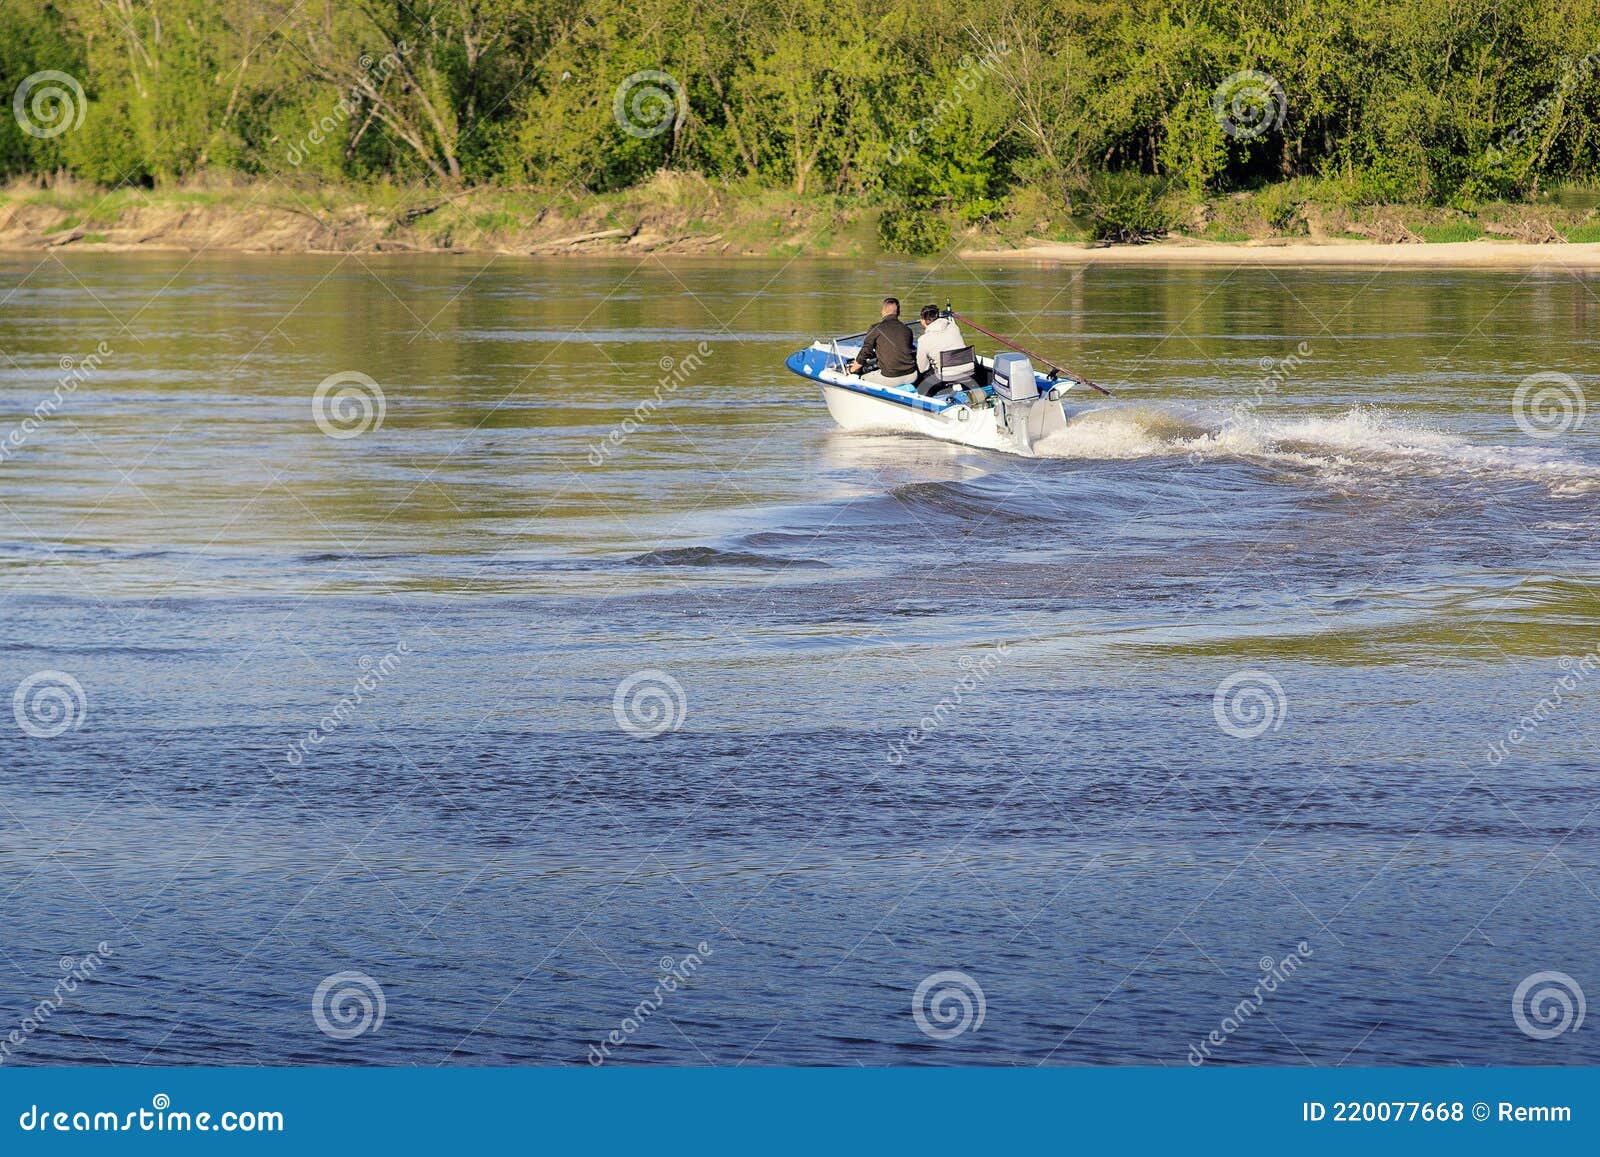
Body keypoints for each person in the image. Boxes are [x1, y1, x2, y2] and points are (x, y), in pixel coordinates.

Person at [846, 298, 917, 386]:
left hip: (891, 378)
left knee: (861, 378)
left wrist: (851, 370)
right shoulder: (907, 330)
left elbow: (865, 352)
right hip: (912, 375)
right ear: (899, 313)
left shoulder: (876, 328)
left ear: (883, 311)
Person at [913, 304, 969, 394]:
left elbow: (922, 368)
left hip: (946, 376)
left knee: (924, 376)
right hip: (967, 370)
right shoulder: (954, 327)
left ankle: (927, 396)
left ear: (923, 321)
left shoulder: (923, 340)